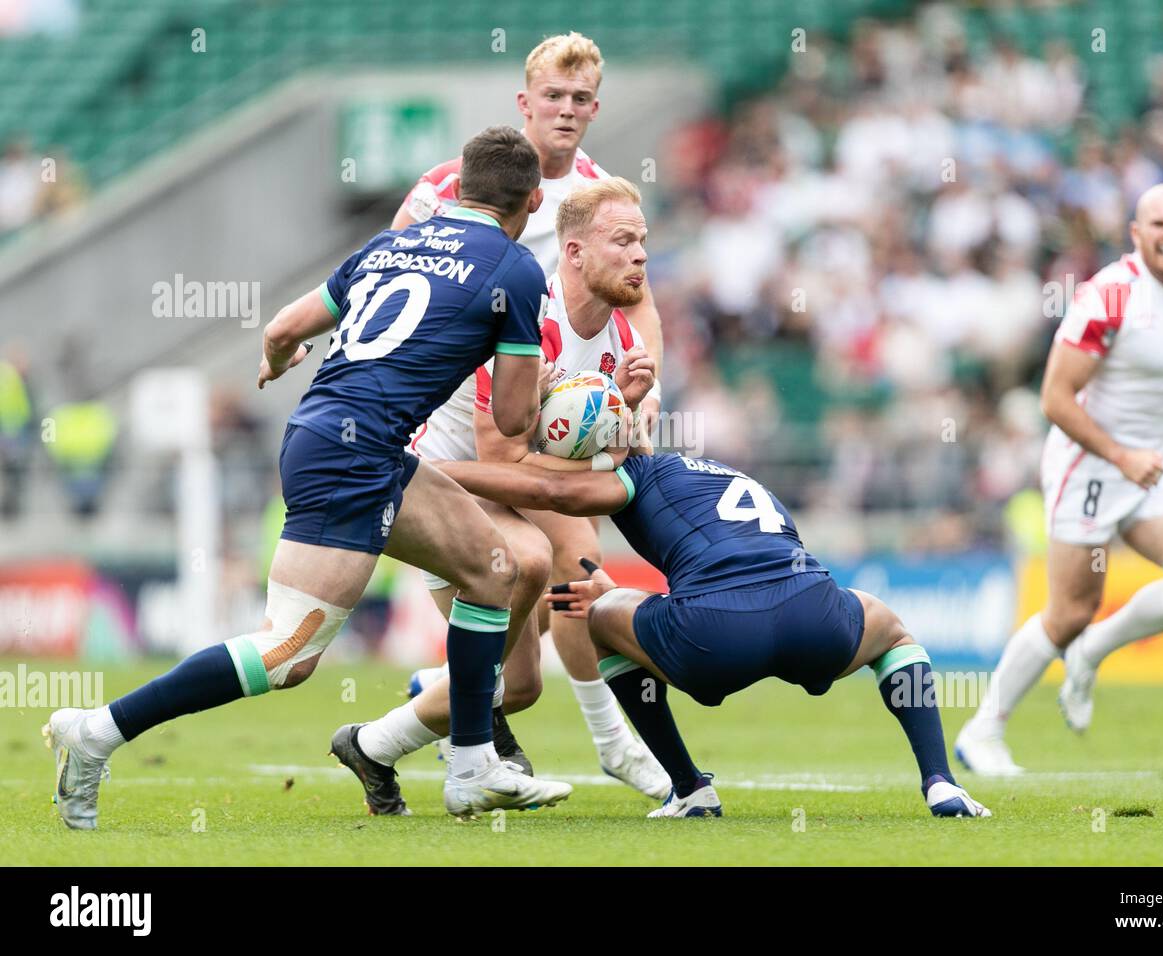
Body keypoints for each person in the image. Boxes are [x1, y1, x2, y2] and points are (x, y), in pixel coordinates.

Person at [43, 127, 573, 828]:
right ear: (533, 201)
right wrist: (566, 407)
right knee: (289, 654)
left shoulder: (388, 245)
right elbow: (510, 419)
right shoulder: (515, 269)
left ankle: (472, 764)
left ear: (459, 190)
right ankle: (98, 731)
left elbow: (284, 327)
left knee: (491, 569)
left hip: (338, 438)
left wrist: (275, 359)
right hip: (353, 458)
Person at [332, 178, 670, 814]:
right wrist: (598, 460)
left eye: (642, 241)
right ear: (572, 253)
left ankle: (373, 743)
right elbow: (504, 460)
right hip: (436, 486)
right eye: (623, 241)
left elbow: (600, 451)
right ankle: (602, 742)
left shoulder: (622, 340)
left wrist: (624, 410)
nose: (641, 256)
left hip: (499, 490)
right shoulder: (524, 318)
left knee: (518, 683)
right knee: (561, 571)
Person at [429, 444, 992, 820]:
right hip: (812, 614)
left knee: (600, 620)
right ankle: (941, 782)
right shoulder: (723, 473)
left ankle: (689, 787)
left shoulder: (633, 474)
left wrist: (436, 470)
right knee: (891, 630)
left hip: (715, 636)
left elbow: (551, 495)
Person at [390, 33, 669, 786]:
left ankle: (593, 740)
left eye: (582, 100)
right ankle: (449, 722)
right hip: (455, 416)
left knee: (568, 582)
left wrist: (646, 385)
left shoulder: (599, 196)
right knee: (533, 605)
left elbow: (640, 302)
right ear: (526, 102)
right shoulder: (451, 187)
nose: (568, 110)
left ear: (596, 109)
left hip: (550, 409)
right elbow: (392, 270)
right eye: (555, 96)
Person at [954, 183, 1163, 775]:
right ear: (1136, 233)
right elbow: (1054, 398)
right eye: (1159, 224)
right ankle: (982, 731)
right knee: (1068, 611)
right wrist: (1119, 456)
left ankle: (1091, 653)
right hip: (1088, 462)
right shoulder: (1109, 297)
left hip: (1147, 466)